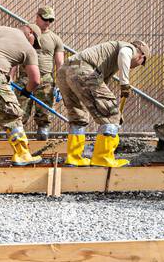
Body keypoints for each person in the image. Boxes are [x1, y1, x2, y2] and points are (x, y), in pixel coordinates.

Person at [55, 38, 150, 167]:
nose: (136, 66)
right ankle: (103, 158)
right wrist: (124, 84)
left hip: (65, 70)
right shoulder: (128, 48)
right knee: (111, 114)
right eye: (141, 63)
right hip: (83, 70)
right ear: (141, 56)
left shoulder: (109, 60)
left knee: (78, 116)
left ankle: (74, 158)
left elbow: (100, 90)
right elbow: (124, 54)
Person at [0, 25, 43, 166]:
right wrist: (27, 91)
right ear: (30, 33)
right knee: (11, 116)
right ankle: (22, 154)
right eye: (34, 42)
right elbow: (35, 80)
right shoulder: (28, 49)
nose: (33, 46)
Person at [21, 5, 64, 140]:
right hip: (25, 78)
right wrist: (10, 77)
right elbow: (16, 55)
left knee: (44, 111)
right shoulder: (27, 34)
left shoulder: (55, 39)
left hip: (45, 79)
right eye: (45, 19)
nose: (47, 22)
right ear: (37, 17)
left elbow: (60, 63)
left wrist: (60, 84)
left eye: (50, 20)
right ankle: (18, 135)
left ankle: (42, 132)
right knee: (20, 110)